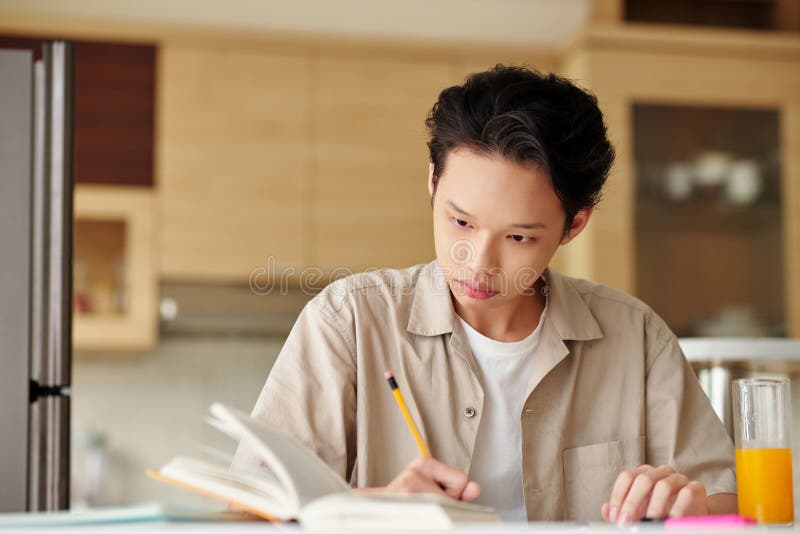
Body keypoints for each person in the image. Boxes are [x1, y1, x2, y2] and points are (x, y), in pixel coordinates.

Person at [233, 65, 737, 522]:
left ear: (573, 225)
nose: (477, 263)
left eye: (518, 237)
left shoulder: (636, 338)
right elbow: (247, 506)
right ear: (433, 183)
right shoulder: (347, 321)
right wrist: (371, 509)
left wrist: (690, 507)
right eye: (460, 221)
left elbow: (729, 500)